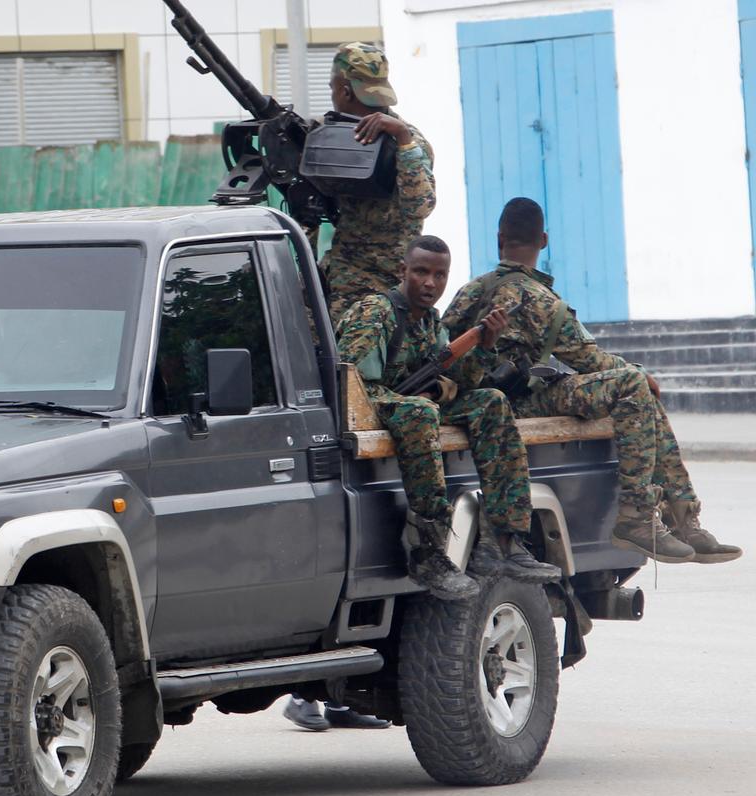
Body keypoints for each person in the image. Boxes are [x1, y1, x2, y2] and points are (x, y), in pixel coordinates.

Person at [284, 235, 560, 734]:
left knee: (492, 403)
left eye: (438, 275)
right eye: (421, 273)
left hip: (411, 402)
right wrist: (421, 395)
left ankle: (507, 536)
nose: (430, 283)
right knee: (417, 411)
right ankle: (429, 545)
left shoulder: (432, 322)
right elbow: (348, 380)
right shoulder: (377, 311)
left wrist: (482, 348)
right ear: (403, 270)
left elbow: (458, 377)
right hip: (372, 406)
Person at [444, 198, 741, 564]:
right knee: (633, 384)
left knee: (634, 383)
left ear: (499, 238)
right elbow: (590, 360)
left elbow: (444, 349)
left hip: (476, 402)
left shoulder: (469, 292)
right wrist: (637, 372)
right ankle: (649, 515)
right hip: (518, 404)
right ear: (545, 241)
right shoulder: (540, 300)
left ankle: (678, 516)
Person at [319, 42, 436, 321]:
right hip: (339, 283)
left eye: (332, 87)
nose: (332, 95)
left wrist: (403, 140)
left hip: (385, 295)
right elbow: (312, 206)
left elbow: (421, 206)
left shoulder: (409, 141)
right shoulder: (336, 137)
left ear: (345, 91)